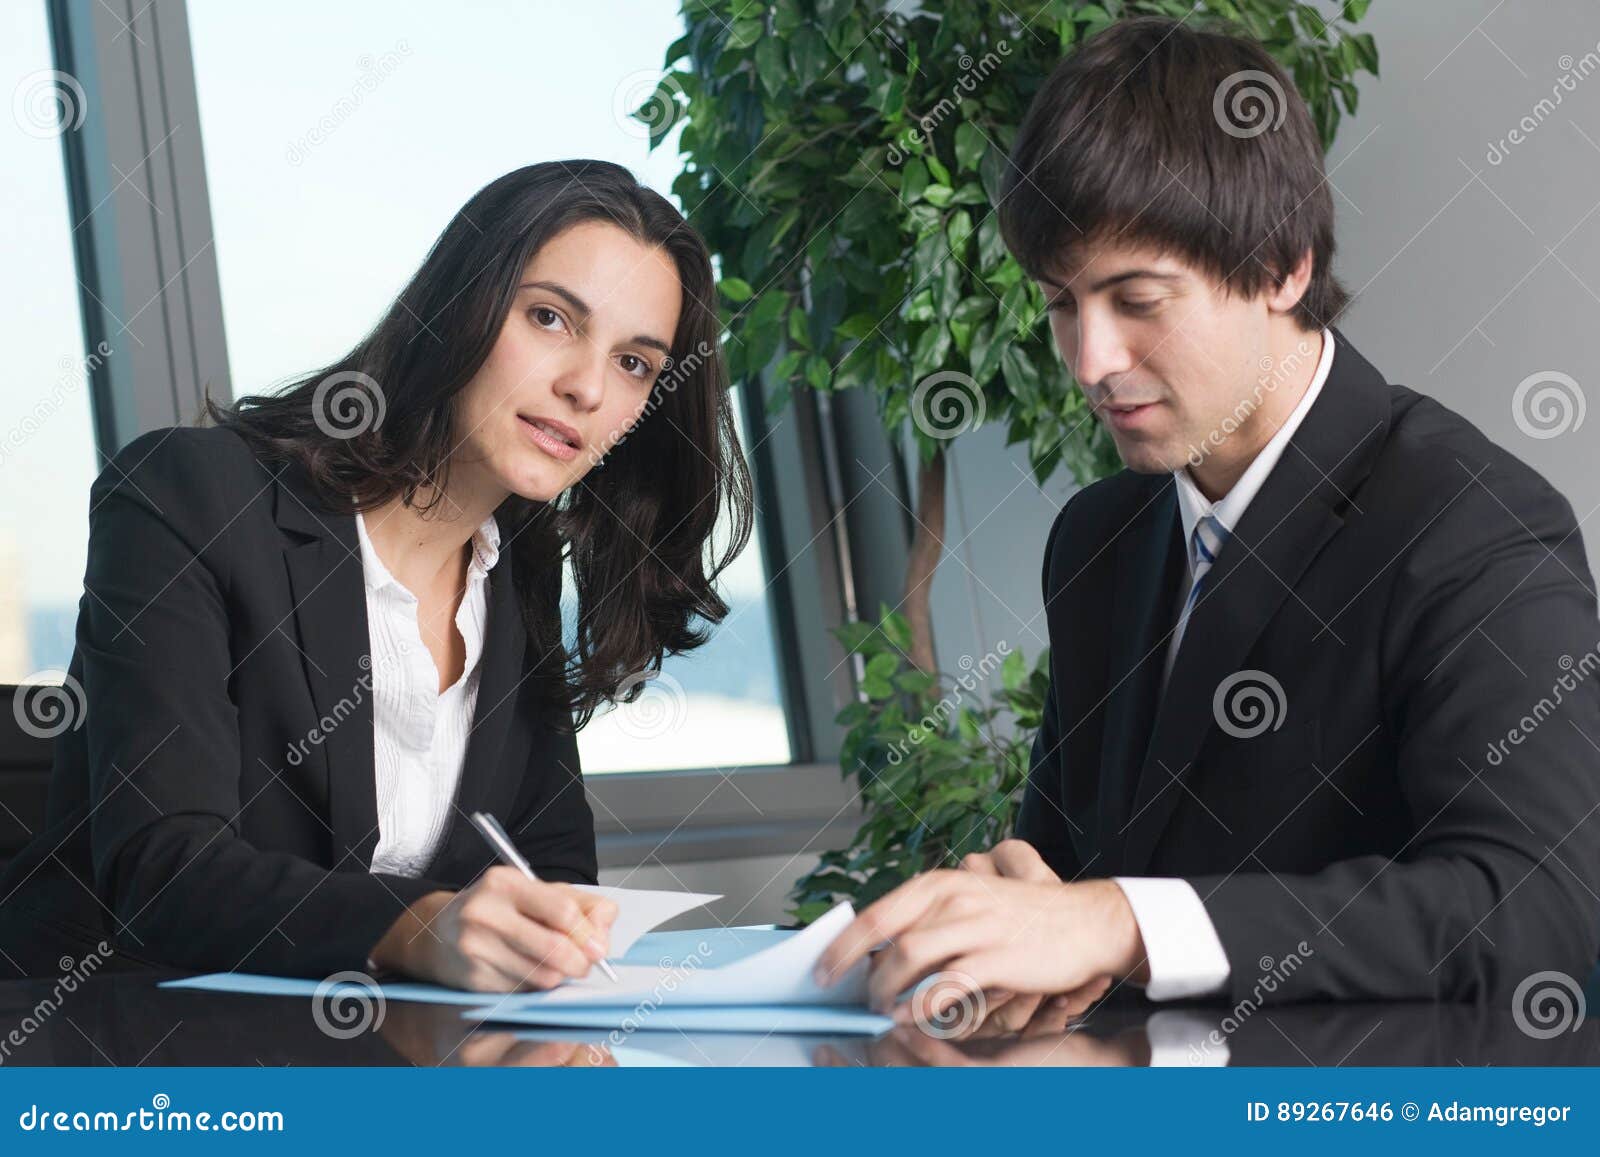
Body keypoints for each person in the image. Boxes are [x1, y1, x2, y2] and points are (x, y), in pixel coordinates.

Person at [817, 16, 1600, 1025]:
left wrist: (1121, 925)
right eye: (1061, 303)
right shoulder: (1099, 536)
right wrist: (1029, 899)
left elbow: (1539, 909)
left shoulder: (1470, 524)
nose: (1090, 359)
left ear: (1282, 265)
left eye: (1135, 298)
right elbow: (1075, 877)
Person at [0, 160, 753, 993]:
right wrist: (421, 925)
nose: (585, 387)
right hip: (115, 1046)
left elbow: (553, 862)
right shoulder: (188, 496)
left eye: (636, 365)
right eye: (549, 318)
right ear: (460, 301)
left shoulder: (519, 566)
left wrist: (548, 936)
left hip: (378, 1058)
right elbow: (166, 874)